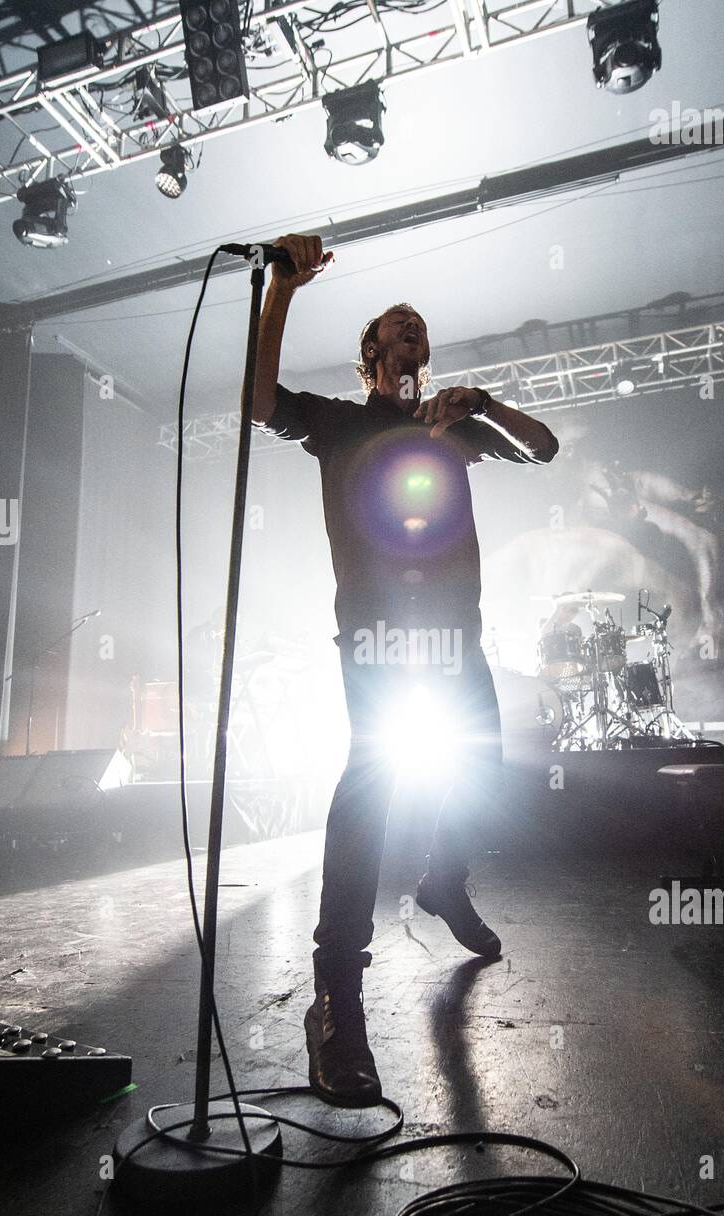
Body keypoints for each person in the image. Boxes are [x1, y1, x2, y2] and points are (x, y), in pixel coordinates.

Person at [253, 233, 559, 1106]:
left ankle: (441, 883)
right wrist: (282, 291)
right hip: (379, 636)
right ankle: (335, 1000)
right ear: (374, 353)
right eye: (398, 326)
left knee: (482, 773)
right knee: (372, 789)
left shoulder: (454, 425)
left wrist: (489, 405)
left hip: (456, 635)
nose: (413, 332)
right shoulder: (342, 421)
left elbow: (545, 449)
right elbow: (256, 400)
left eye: (421, 326)